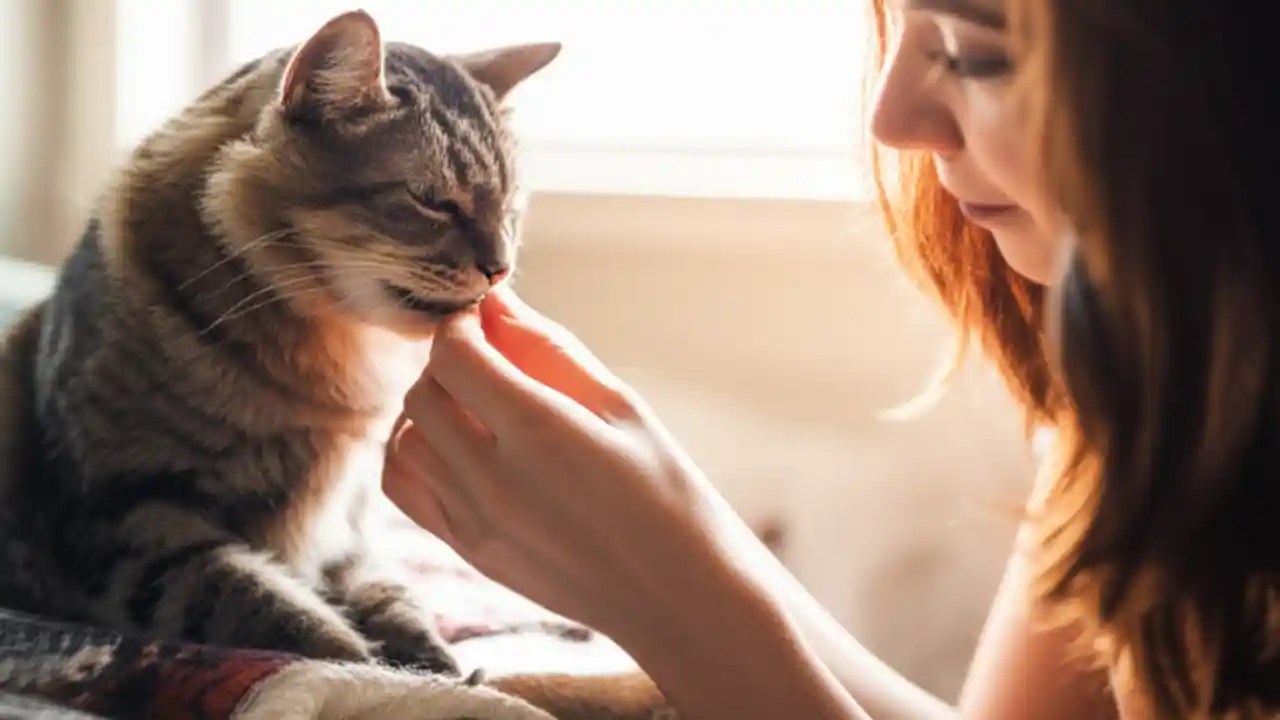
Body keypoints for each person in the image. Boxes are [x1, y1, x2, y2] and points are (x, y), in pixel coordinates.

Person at [382, 0, 1279, 717]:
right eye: (897, 26)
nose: (895, 120)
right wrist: (686, 537)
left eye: (975, 53)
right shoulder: (1142, 374)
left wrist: (679, 608)